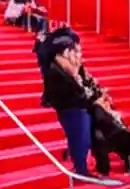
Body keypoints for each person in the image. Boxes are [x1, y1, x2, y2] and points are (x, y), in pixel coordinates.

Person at [40, 33, 106, 178]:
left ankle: (83, 167)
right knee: (79, 139)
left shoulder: (71, 68)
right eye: (74, 50)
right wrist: (87, 97)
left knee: (83, 139)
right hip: (70, 109)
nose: (77, 54)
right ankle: (81, 170)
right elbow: (65, 93)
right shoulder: (55, 70)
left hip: (79, 107)